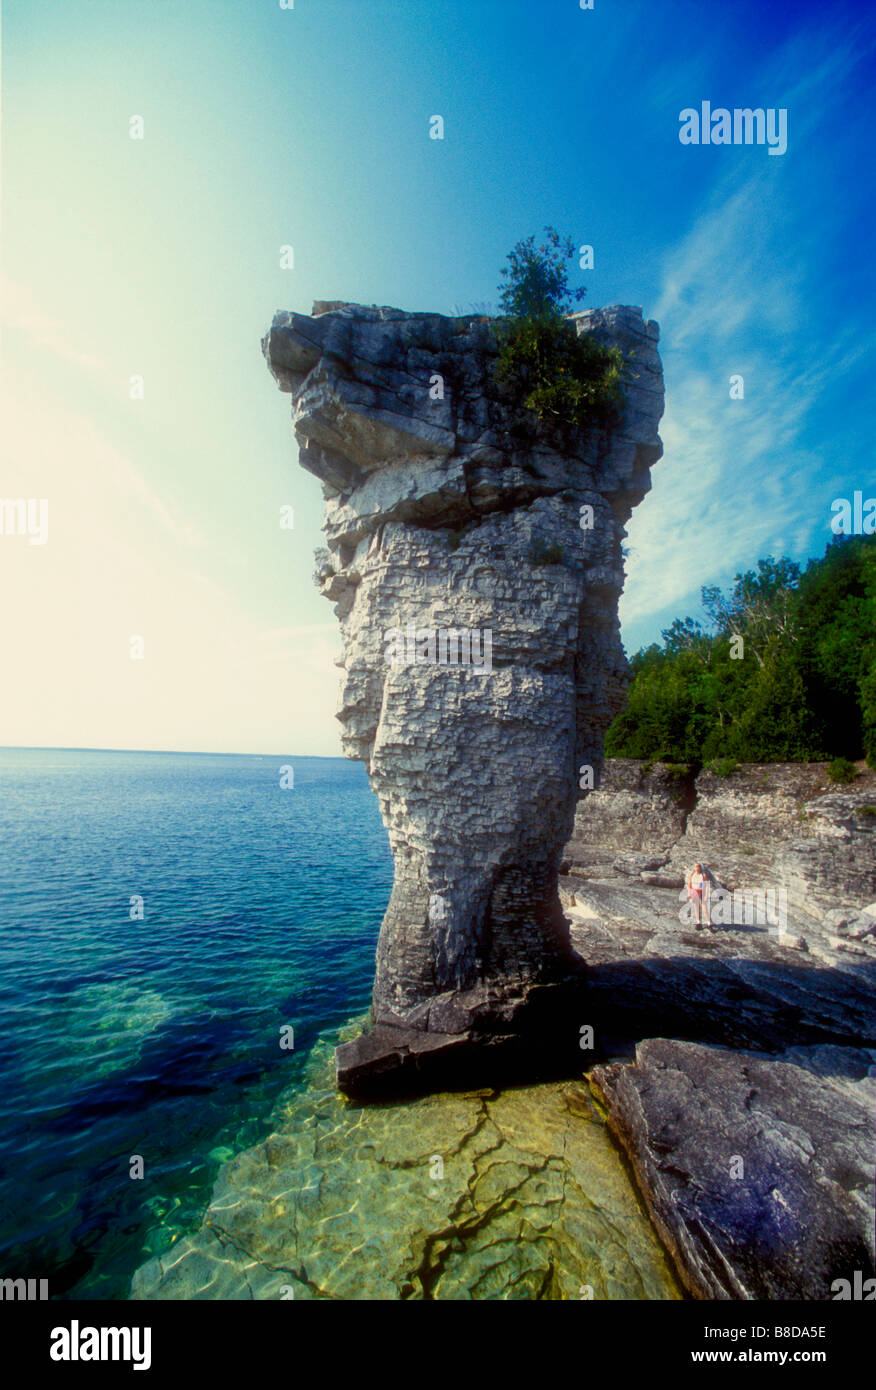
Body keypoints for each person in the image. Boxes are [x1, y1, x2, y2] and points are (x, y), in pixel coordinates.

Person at [687, 861, 712, 928]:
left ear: (700, 868)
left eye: (698, 866)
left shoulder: (703, 875)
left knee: (704, 908)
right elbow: (689, 884)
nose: (697, 868)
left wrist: (706, 895)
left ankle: (709, 923)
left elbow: (707, 885)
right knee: (696, 907)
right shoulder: (692, 875)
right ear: (694, 868)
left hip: (701, 892)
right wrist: (689, 893)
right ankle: (698, 922)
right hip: (694, 892)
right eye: (695, 867)